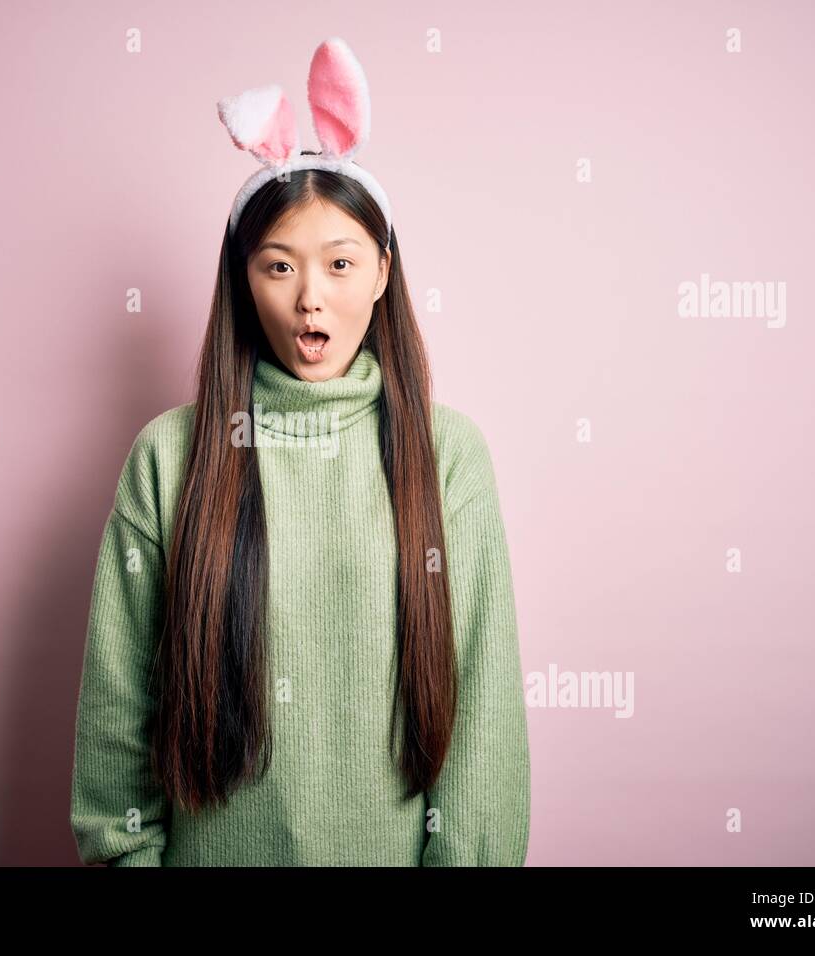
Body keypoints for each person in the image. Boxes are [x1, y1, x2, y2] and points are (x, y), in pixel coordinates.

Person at [69, 37, 530, 866]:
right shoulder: (169, 459)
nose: (311, 296)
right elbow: (118, 719)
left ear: (383, 273)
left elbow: (484, 721)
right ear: (244, 281)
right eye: (278, 266)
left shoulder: (448, 456)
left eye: (340, 263)